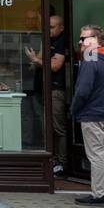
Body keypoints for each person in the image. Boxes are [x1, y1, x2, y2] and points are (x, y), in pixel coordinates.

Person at [69, 24, 104, 206]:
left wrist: (74, 109)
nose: (80, 42)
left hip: (92, 114)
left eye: (84, 39)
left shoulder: (90, 60)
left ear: (95, 40)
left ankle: (99, 195)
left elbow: (82, 90)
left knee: (96, 154)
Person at [25, 14, 70, 175]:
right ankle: (53, 160)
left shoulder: (61, 41)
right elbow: (40, 60)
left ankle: (62, 164)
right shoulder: (48, 40)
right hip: (43, 88)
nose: (48, 30)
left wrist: (36, 61)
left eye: (51, 27)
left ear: (61, 28)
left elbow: (55, 65)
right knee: (47, 126)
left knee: (58, 128)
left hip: (55, 90)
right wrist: (34, 60)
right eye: (46, 26)